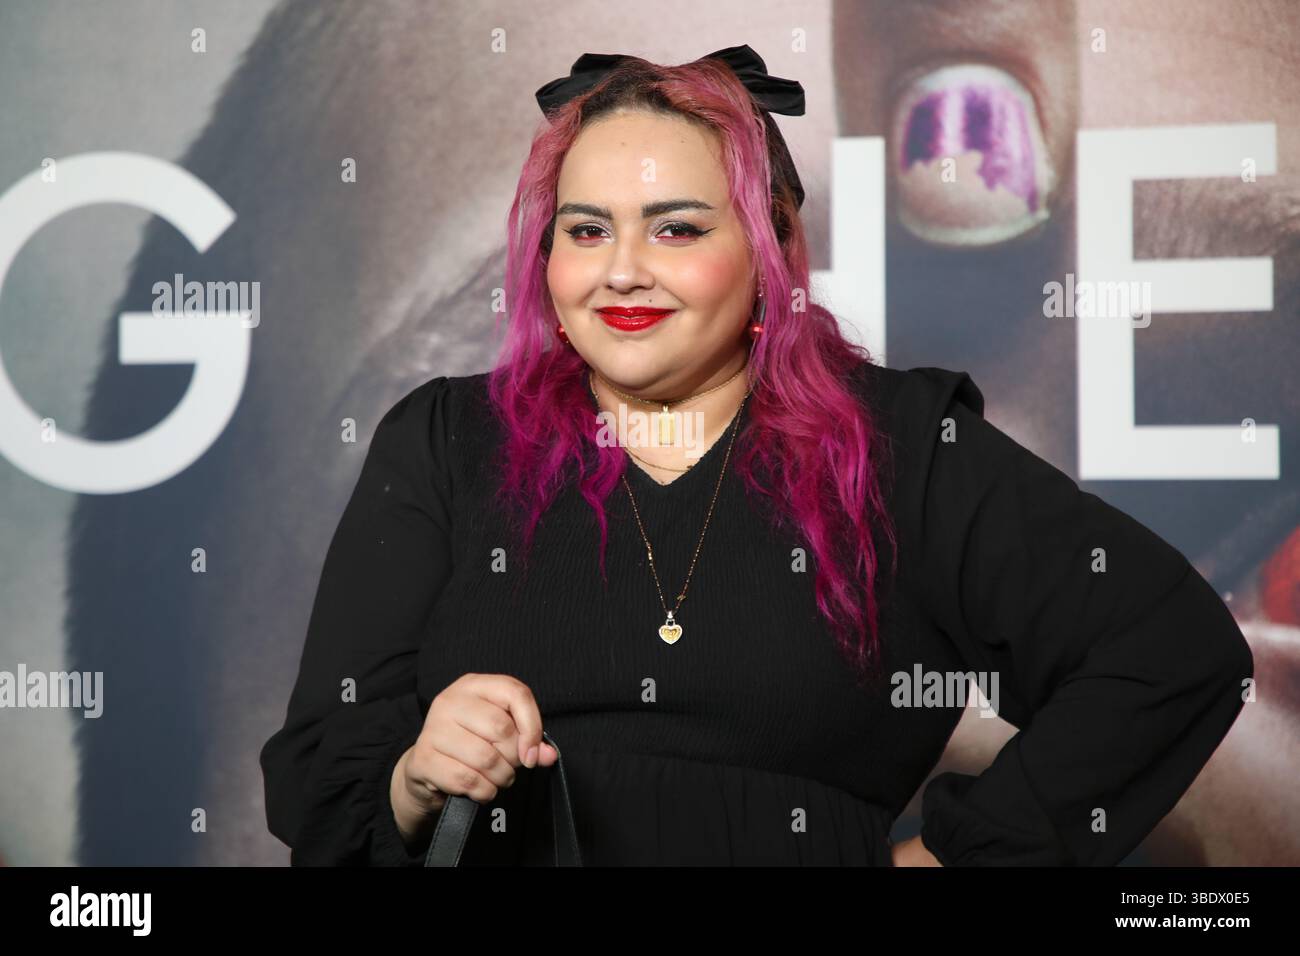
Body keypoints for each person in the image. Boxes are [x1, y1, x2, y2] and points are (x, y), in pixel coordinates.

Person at [259, 45, 1253, 866]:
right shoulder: (440, 442)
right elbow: (322, 783)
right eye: (586, 229)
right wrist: (416, 775)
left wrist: (960, 856)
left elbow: (1168, 653)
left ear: (771, 250)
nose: (622, 270)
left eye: (677, 228)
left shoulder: (900, 445)